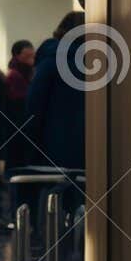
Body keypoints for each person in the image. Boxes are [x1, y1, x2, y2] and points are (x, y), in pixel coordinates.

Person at [27, 10, 87, 172]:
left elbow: (34, 106)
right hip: (92, 145)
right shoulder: (96, 63)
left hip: (53, 144)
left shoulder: (51, 60)